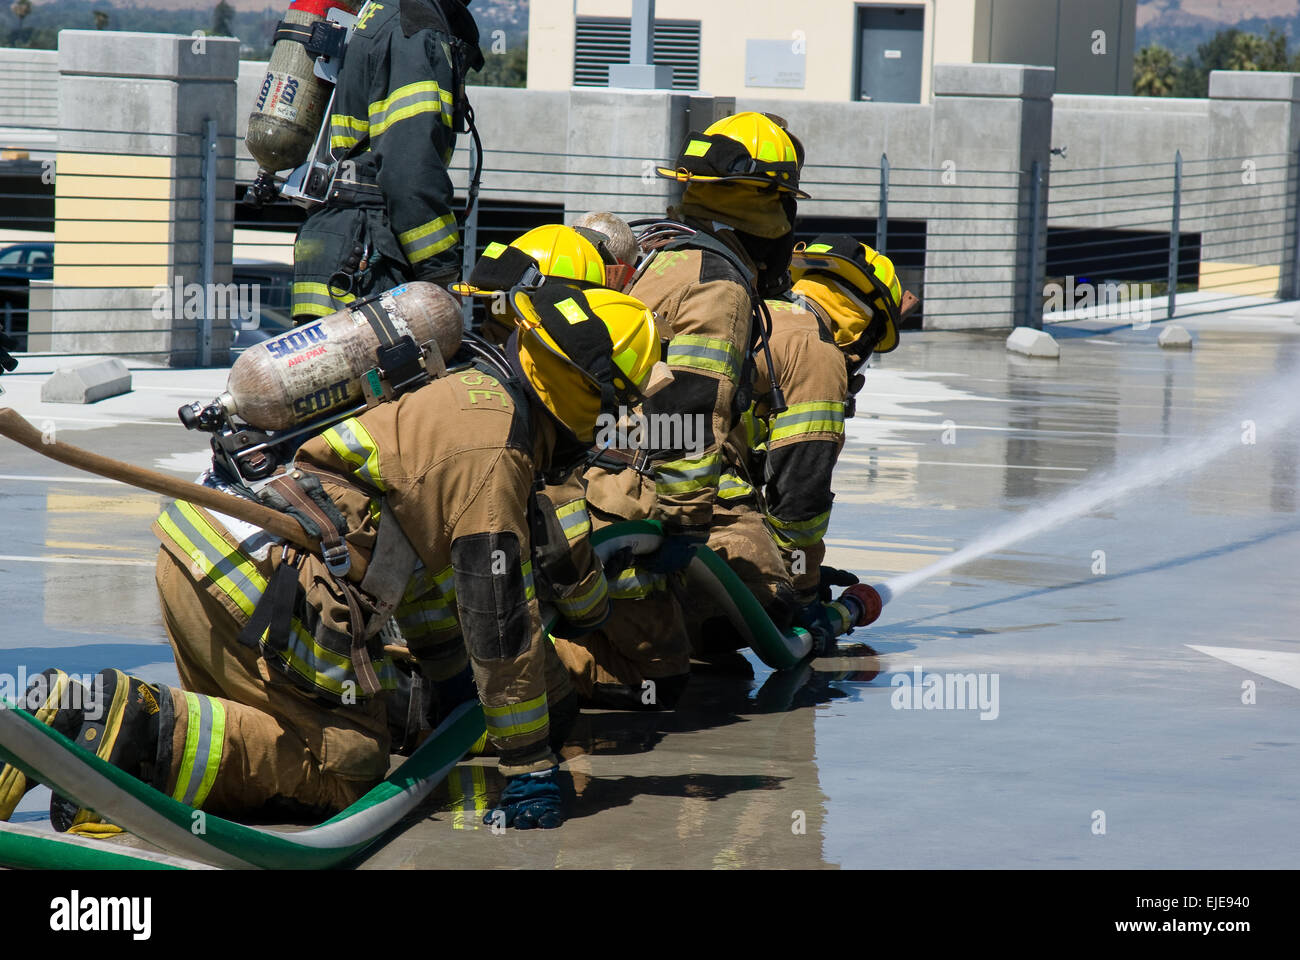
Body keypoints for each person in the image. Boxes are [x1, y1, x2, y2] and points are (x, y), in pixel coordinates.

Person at [0, 284, 662, 832]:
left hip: (206, 555)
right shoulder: (494, 452)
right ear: (584, 391)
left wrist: (450, 683)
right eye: (615, 406)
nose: (613, 425)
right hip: (265, 593)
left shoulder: (464, 393)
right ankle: (103, 716)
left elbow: (428, 578)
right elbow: (498, 623)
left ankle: (102, 769)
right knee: (348, 766)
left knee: (247, 739)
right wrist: (528, 764)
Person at [717, 235, 905, 655]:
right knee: (770, 602)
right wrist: (801, 593)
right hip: (691, 502)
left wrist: (807, 568)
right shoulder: (818, 354)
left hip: (644, 487)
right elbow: (800, 498)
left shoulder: (761, 311)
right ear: (866, 324)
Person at [291, 0, 483, 322]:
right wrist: (441, 278)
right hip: (370, 258)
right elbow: (409, 176)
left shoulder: (377, 12)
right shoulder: (417, 28)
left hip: (333, 246)